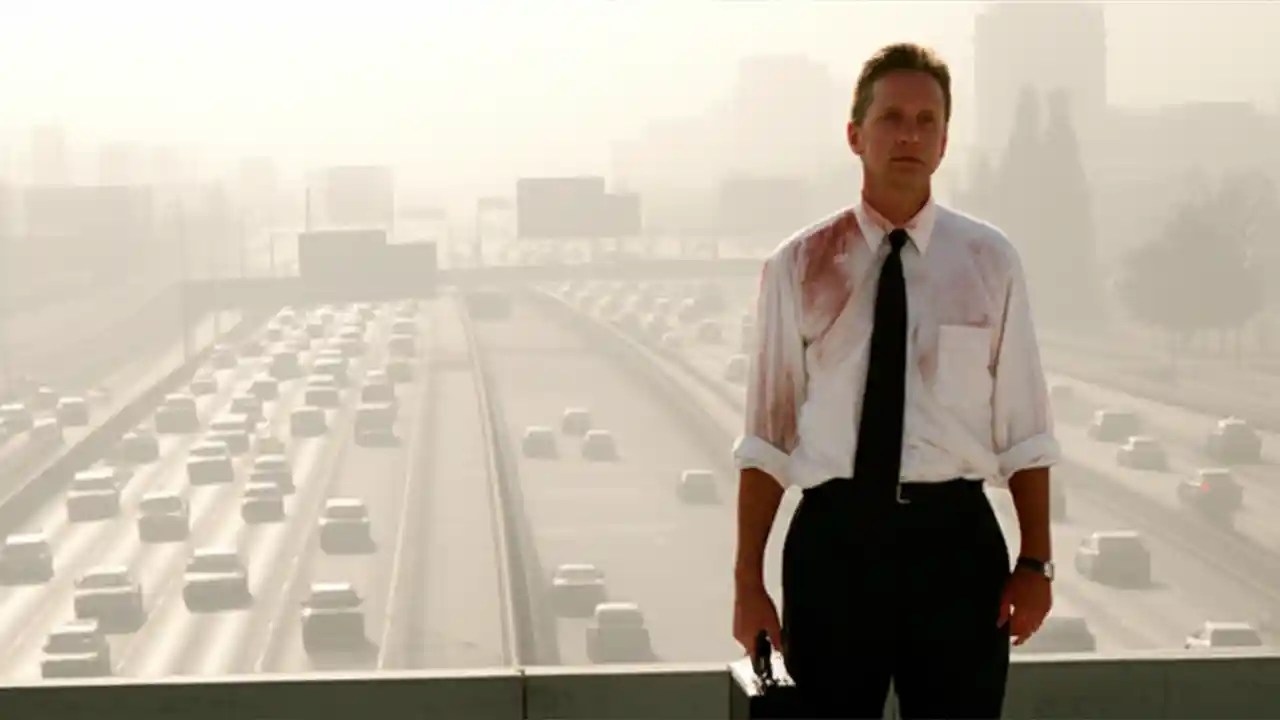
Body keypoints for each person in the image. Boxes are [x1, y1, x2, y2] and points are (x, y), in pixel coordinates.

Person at [730, 42, 1060, 719]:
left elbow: (1025, 431)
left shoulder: (990, 263)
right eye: (890, 117)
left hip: (955, 550)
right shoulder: (798, 266)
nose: (909, 133)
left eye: (927, 120)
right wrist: (748, 582)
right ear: (855, 135)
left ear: (944, 142)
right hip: (834, 547)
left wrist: (1035, 565)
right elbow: (767, 439)